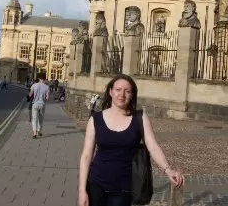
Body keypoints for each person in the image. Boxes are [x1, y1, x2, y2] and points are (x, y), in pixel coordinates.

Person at [78, 74, 184, 206]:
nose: (122, 94)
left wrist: (168, 170)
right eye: (118, 90)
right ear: (110, 91)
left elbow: (153, 147)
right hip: (96, 184)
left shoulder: (139, 118)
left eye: (127, 91)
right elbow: (86, 156)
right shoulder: (96, 119)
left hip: (124, 187)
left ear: (132, 95)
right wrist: (82, 190)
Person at [29, 72, 49, 138]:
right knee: (41, 119)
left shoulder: (34, 85)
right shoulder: (47, 87)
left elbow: (30, 94)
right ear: (44, 78)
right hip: (42, 104)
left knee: (34, 118)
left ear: (39, 78)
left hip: (35, 104)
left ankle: (34, 133)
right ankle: (39, 131)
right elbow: (47, 98)